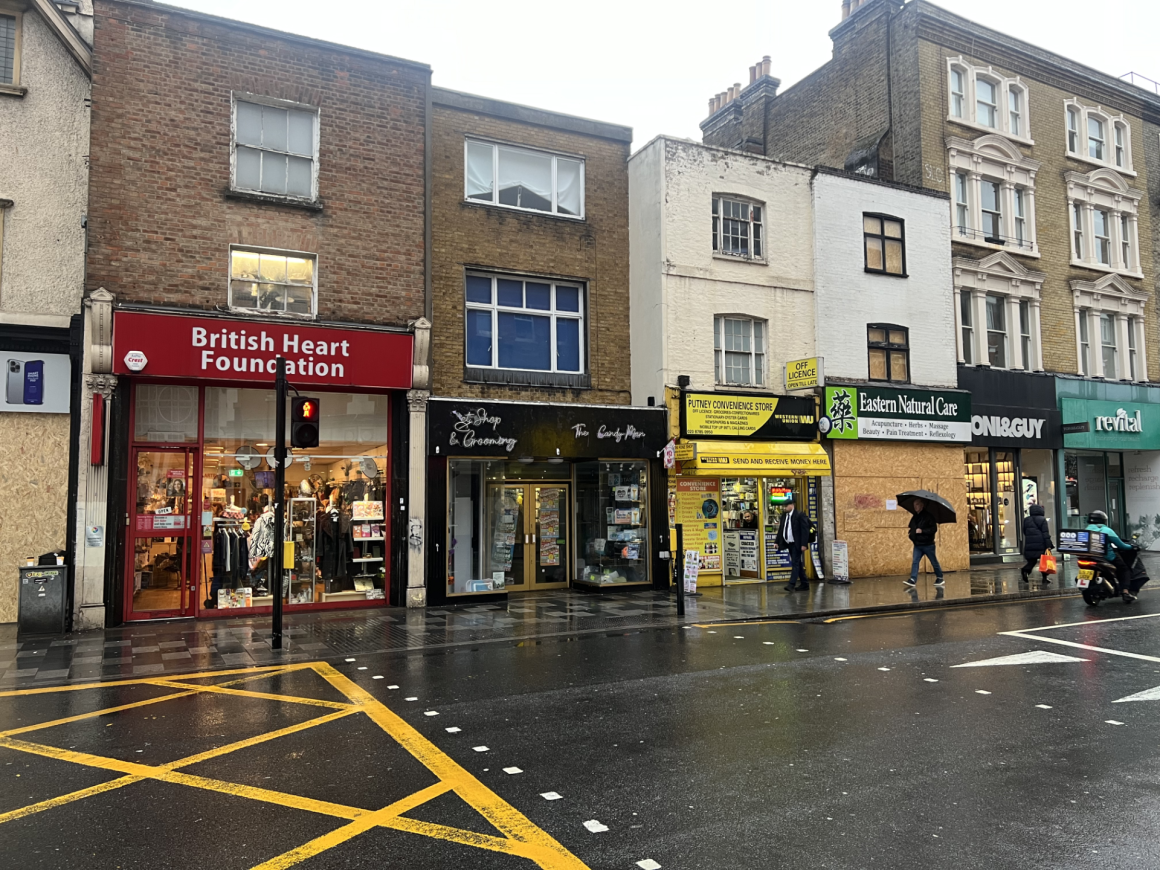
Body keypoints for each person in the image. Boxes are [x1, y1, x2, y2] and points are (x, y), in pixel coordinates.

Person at [1086, 510, 1136, 602]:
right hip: (1106, 557)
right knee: (1124, 569)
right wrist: (1132, 547)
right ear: (1103, 520)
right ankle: (1125, 592)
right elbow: (1121, 546)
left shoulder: (1087, 529)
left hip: (1089, 556)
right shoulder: (1107, 530)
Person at [907, 497, 944, 588]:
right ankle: (913, 579)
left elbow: (933, 529)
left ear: (922, 505)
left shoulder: (929, 516)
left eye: (917, 504)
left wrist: (922, 531)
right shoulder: (915, 516)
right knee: (915, 561)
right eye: (914, 505)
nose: (915, 507)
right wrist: (911, 535)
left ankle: (940, 577)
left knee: (933, 561)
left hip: (928, 545)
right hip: (918, 544)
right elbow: (911, 527)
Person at [777, 503, 811, 592]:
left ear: (792, 505)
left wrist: (804, 544)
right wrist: (777, 542)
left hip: (797, 544)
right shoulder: (784, 516)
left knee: (795, 563)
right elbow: (781, 529)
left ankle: (791, 584)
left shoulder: (799, 515)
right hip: (789, 543)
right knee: (798, 563)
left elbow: (805, 530)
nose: (784, 507)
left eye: (785, 506)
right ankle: (805, 583)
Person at [1020, 503, 1054, 584]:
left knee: (1032, 561)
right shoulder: (1042, 519)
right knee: (1045, 561)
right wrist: (1048, 545)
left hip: (1030, 543)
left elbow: (1024, 531)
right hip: (1041, 544)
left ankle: (1025, 571)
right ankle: (1044, 579)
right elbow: (1045, 534)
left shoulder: (1026, 520)